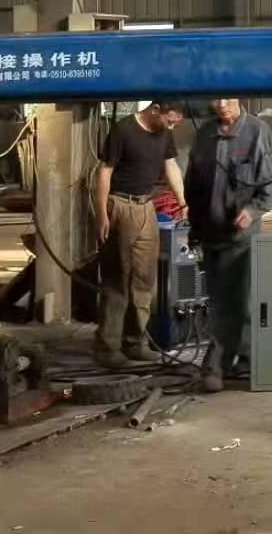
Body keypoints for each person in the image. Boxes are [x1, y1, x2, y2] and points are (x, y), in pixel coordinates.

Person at [185, 97, 272, 392]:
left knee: (240, 300)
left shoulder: (257, 131)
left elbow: (271, 183)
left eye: (227, 98)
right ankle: (237, 360)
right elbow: (193, 184)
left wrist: (252, 211)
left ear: (238, 98)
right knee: (219, 301)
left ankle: (220, 364)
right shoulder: (204, 134)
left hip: (241, 234)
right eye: (216, 99)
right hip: (210, 233)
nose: (221, 105)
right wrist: (195, 226)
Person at [93, 100, 186, 369]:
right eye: (170, 121)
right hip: (120, 205)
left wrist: (182, 200)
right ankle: (107, 347)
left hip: (147, 206)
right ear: (155, 109)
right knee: (118, 278)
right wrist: (102, 213)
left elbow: (171, 165)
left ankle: (135, 342)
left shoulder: (164, 133)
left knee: (145, 278)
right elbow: (105, 171)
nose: (172, 127)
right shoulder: (123, 130)